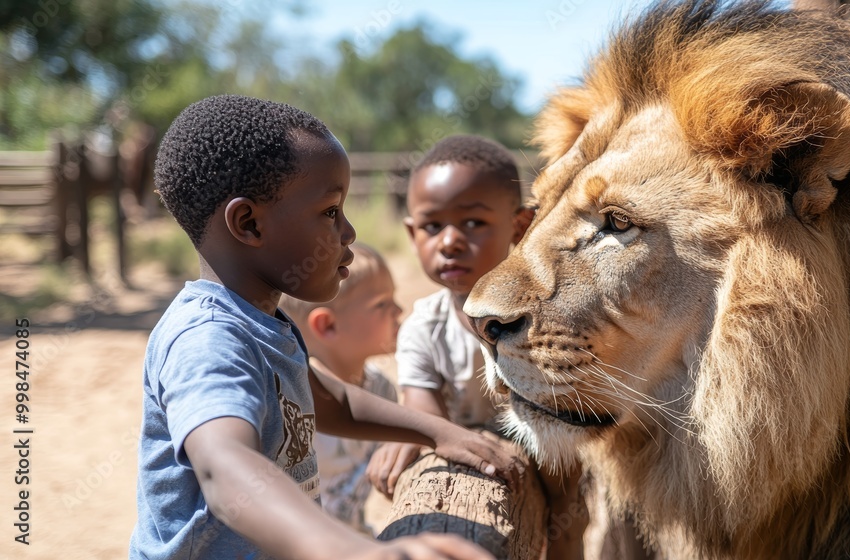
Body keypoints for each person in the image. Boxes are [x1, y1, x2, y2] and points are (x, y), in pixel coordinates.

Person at [129, 95, 520, 560]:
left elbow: (335, 404)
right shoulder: (209, 338)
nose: (350, 232)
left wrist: (440, 432)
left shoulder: (267, 324)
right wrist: (353, 552)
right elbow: (225, 468)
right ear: (249, 223)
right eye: (331, 211)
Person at [366, 134, 588, 559]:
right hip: (463, 442)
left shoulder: (541, 318)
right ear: (412, 235)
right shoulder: (423, 328)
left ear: (521, 227)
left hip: (545, 444)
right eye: (432, 227)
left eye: (473, 223)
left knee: (567, 512)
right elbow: (422, 407)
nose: (449, 241)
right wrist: (411, 431)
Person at [279, 243, 402, 534]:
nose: (399, 310)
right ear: (328, 326)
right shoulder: (296, 405)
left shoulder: (381, 390)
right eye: (383, 303)